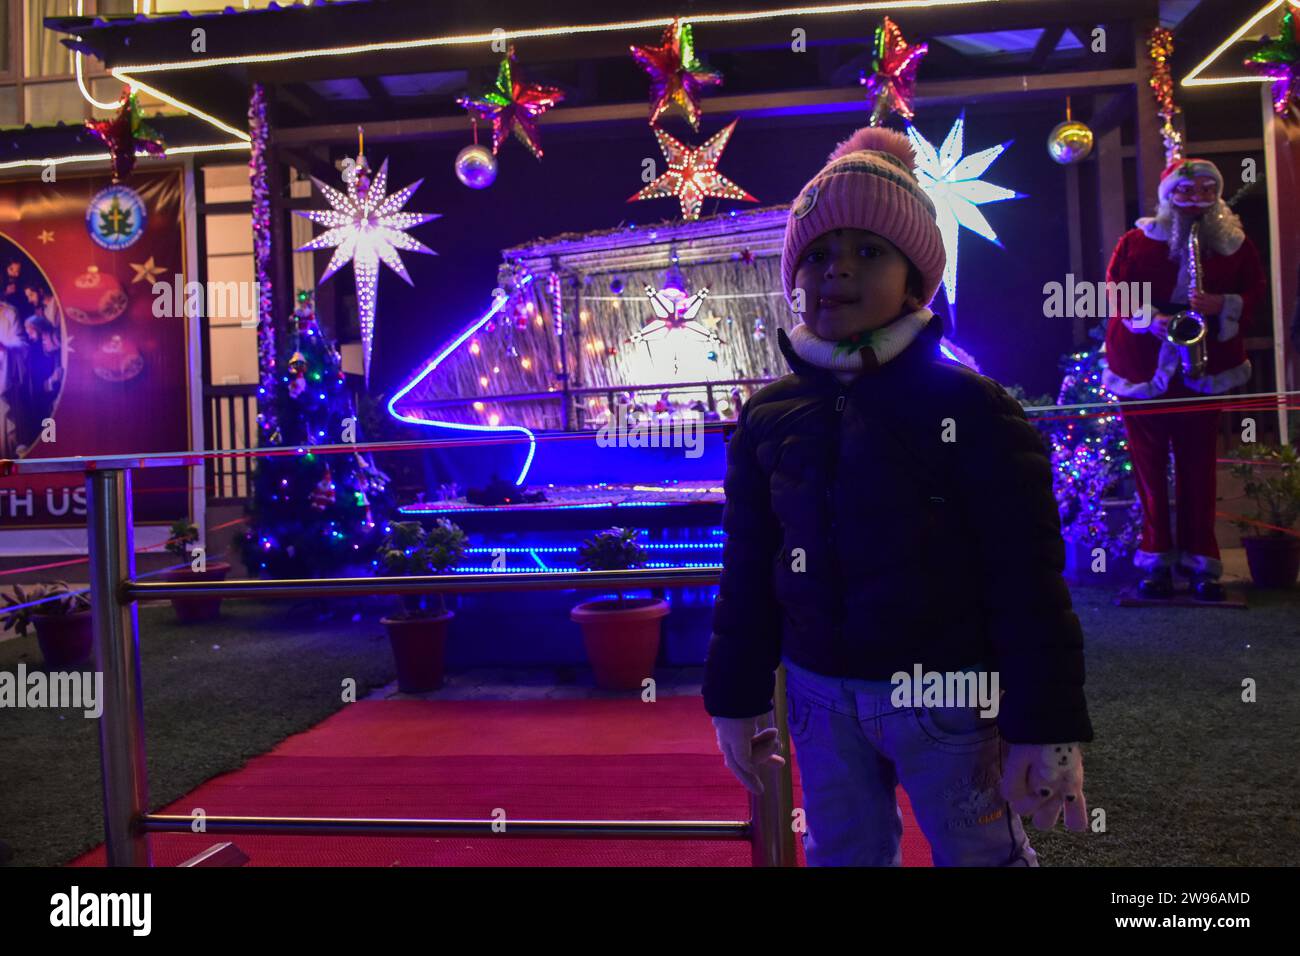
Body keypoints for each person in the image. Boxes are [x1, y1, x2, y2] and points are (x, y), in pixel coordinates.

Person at [703, 126, 1093, 866]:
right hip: (818, 696)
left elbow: (1028, 582)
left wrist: (1046, 728)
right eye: (816, 253)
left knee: (983, 856)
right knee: (843, 856)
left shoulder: (977, 409)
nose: (835, 271)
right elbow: (749, 571)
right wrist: (735, 698)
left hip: (948, 698)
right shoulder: (768, 415)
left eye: (868, 251)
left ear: (916, 278)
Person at [1101, 158, 1267, 601]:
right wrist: (1148, 319)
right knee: (1149, 471)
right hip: (1144, 364)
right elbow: (1115, 288)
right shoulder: (1136, 242)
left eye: (1206, 191)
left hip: (1202, 369)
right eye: (1186, 192)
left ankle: (1200, 564)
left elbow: (1255, 289)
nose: (1195, 201)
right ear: (1168, 194)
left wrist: (1222, 303)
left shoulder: (1234, 244)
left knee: (1199, 469)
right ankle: (1155, 562)